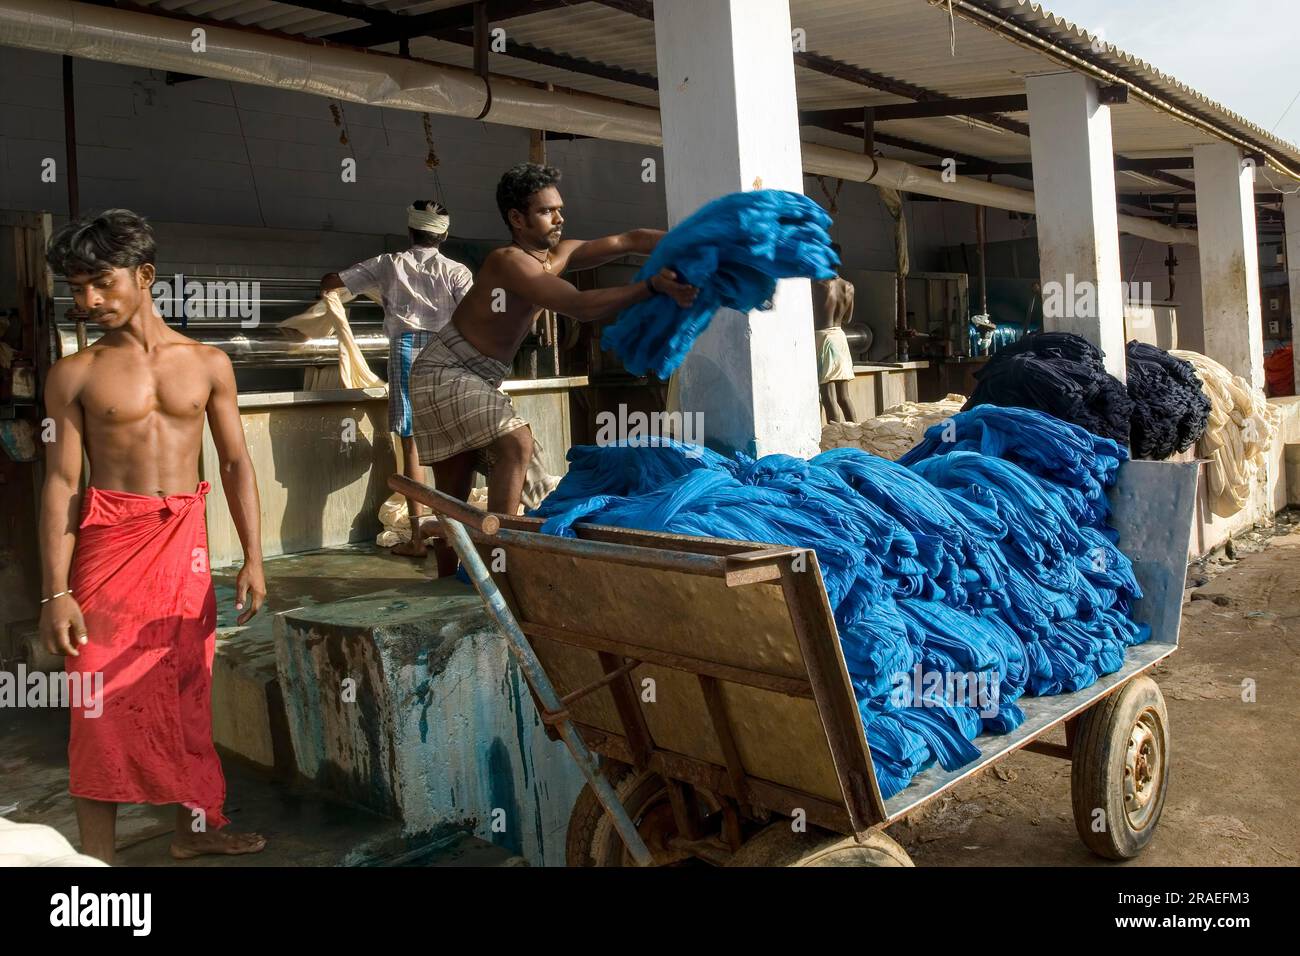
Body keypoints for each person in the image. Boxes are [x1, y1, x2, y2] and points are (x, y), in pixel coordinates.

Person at [39, 209, 267, 863]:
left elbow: (234, 462)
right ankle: (97, 861)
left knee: (186, 689)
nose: (87, 301)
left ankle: (193, 833)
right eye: (76, 288)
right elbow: (61, 483)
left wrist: (253, 557)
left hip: (184, 550)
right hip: (109, 551)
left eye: (100, 283)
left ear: (145, 276)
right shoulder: (73, 375)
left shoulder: (208, 364)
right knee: (98, 702)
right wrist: (57, 590)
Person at [409, 163, 696, 575]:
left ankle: (457, 577)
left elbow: (628, 240)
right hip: (444, 370)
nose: (559, 218)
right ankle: (501, 567)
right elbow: (577, 305)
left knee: (457, 491)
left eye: (559, 209)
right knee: (515, 444)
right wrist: (650, 287)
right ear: (516, 218)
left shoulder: (557, 255)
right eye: (546, 211)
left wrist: (696, 243)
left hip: (478, 376)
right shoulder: (507, 261)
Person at [321, 200, 472, 557]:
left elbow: (333, 281)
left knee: (412, 446)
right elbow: (472, 314)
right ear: (444, 234)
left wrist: (327, 290)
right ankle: (453, 538)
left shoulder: (388, 264)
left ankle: (419, 538)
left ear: (410, 231)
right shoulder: (457, 271)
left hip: (405, 354)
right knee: (451, 443)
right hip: (445, 354)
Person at [812, 243, 858, 423]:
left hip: (823, 339)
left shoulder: (817, 285)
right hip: (840, 337)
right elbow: (848, 319)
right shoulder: (849, 286)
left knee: (828, 397)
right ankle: (854, 432)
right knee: (844, 397)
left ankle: (835, 440)